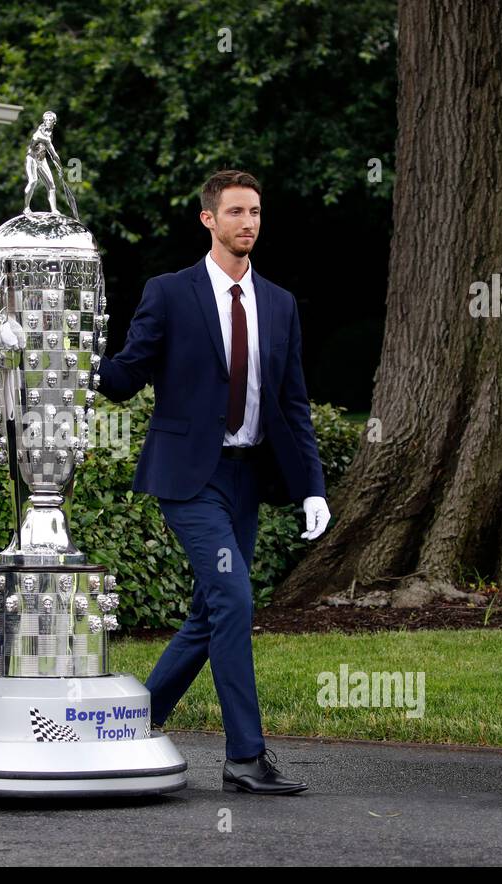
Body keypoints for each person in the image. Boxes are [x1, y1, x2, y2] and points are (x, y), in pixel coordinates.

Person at [95, 169, 332, 795]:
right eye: (234, 212)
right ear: (209, 220)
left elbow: (293, 402)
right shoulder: (170, 293)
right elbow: (127, 374)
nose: (247, 222)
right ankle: (245, 758)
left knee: (210, 612)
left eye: (255, 211)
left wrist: (313, 487)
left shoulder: (279, 303)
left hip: (249, 477)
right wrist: (80, 358)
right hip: (189, 478)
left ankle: (128, 727)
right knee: (233, 599)